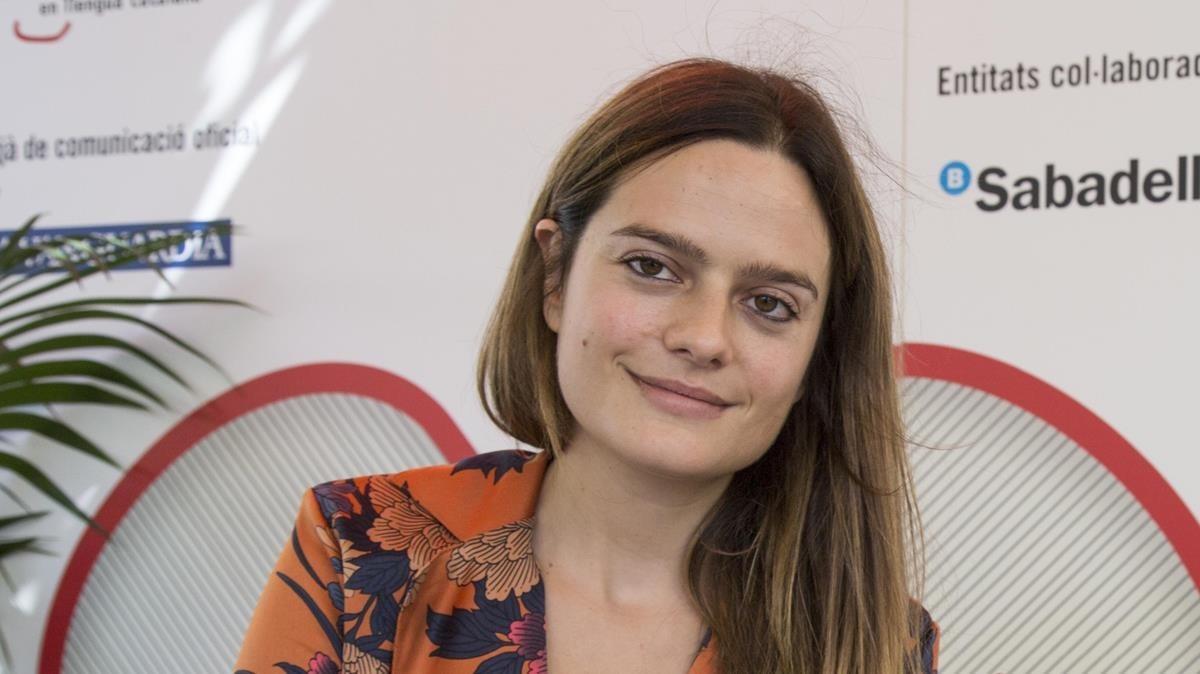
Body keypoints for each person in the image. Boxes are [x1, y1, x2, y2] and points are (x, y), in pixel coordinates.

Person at [234, 56, 940, 674]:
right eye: (651, 266)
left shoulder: (883, 644)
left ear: (820, 355)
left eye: (771, 304)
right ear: (554, 277)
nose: (703, 337)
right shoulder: (362, 549)